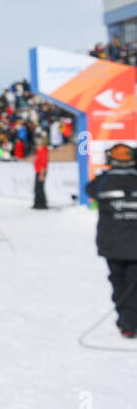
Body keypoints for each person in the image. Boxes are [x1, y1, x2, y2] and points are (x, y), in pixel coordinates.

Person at [85, 144, 137, 338]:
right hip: (129, 245)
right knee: (132, 284)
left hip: (112, 244)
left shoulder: (103, 180)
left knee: (119, 282)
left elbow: (89, 190)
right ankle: (128, 321)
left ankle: (127, 321)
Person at [32, 133, 49, 209]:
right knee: (37, 188)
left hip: (41, 171)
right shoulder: (38, 150)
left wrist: (42, 174)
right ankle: (37, 203)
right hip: (38, 171)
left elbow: (44, 162)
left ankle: (42, 204)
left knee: (40, 188)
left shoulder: (44, 150)